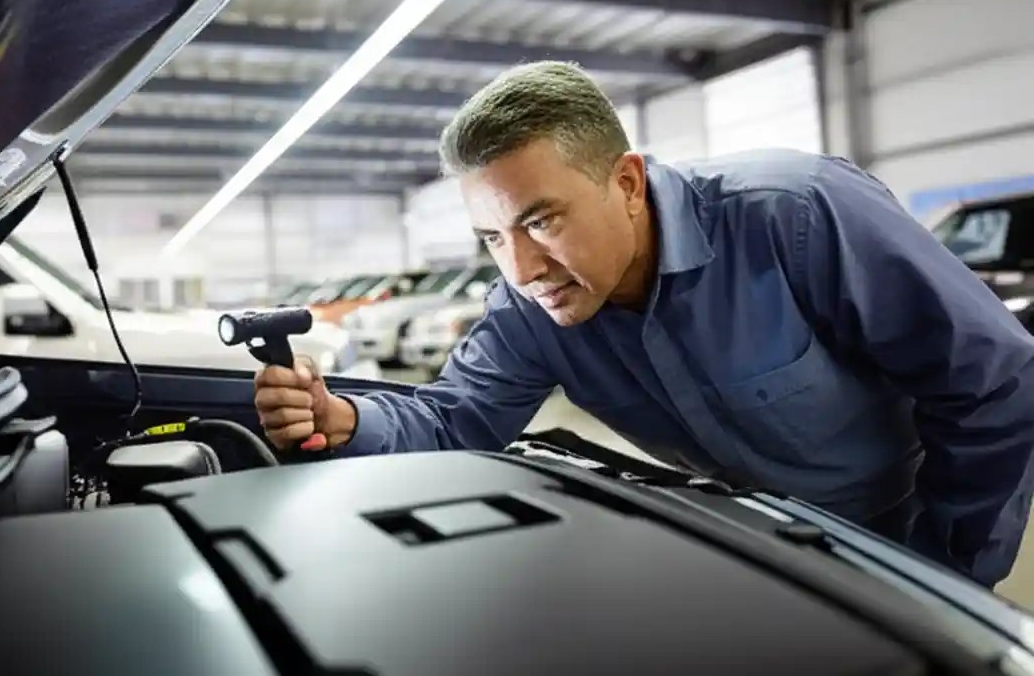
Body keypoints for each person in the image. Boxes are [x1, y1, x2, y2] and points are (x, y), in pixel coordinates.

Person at [253, 60, 1034, 588]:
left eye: (542, 221)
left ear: (626, 181)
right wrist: (345, 417)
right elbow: (456, 417)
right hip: (746, 550)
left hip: (895, 535)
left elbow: (992, 382)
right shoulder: (531, 309)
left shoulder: (797, 217)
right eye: (492, 238)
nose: (519, 269)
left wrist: (944, 571)